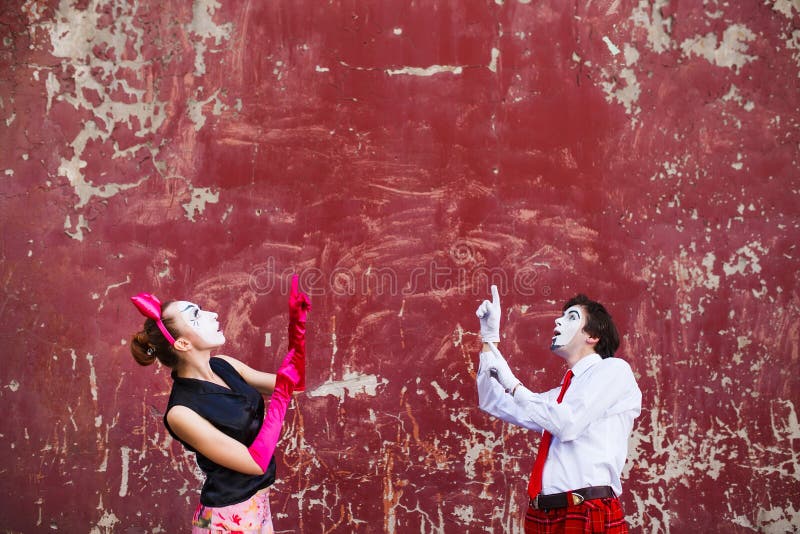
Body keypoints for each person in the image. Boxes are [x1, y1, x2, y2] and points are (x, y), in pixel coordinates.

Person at [129, 275, 310, 533]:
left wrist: (297, 332)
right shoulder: (181, 412)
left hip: (257, 506)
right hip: (223, 520)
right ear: (183, 343)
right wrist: (280, 398)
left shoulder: (224, 365)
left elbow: (295, 385)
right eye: (196, 316)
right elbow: (255, 462)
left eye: (201, 309)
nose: (212, 314)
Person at [476, 286, 641, 533]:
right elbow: (493, 400)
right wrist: (489, 338)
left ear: (593, 335)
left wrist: (514, 385)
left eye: (572, 317)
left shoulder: (614, 371)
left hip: (586, 510)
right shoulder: (558, 397)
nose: (558, 320)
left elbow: (567, 424)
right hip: (543, 513)